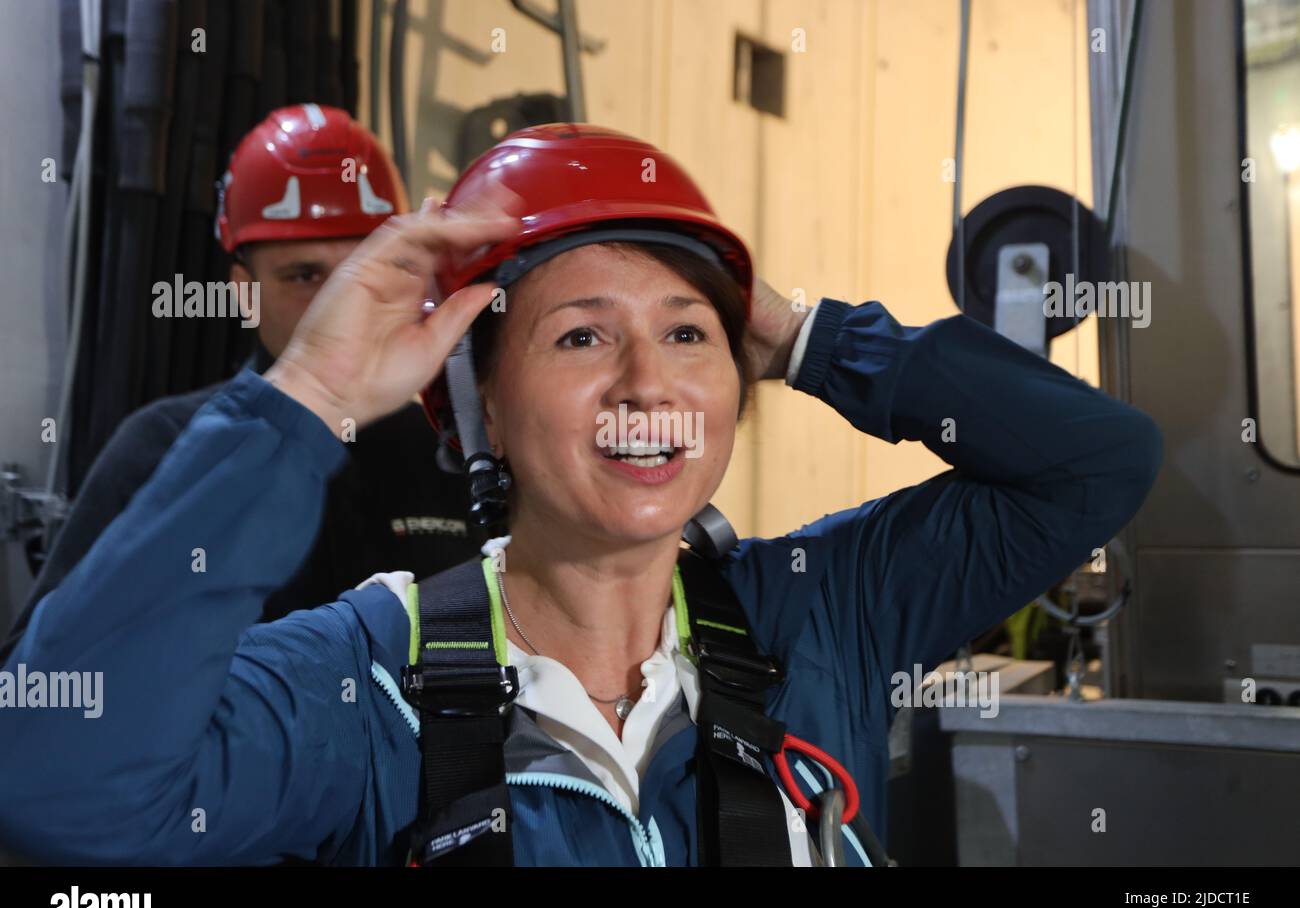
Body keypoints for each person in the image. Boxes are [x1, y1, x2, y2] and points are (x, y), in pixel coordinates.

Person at [0, 124, 1162, 866]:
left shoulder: (820, 607)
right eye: (581, 335)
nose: (648, 382)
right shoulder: (366, 679)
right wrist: (307, 393)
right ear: (484, 405)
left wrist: (808, 336)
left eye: (689, 332)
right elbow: (61, 788)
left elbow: (1098, 461)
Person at [4, 104, 477, 652]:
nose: (339, 303)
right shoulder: (162, 449)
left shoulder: (450, 453)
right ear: (242, 289)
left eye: (362, 272)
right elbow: (34, 687)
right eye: (304, 275)